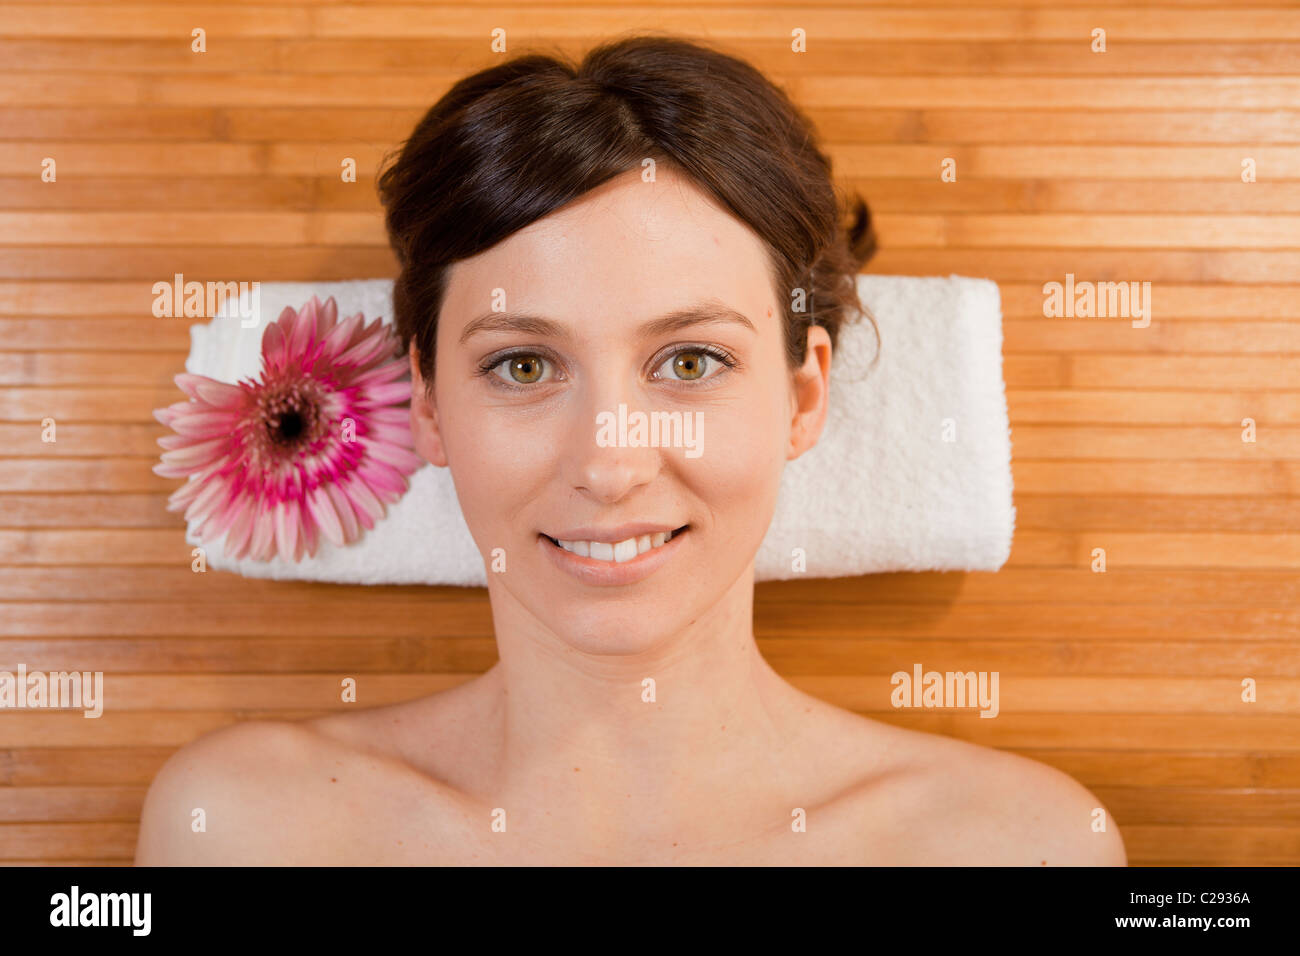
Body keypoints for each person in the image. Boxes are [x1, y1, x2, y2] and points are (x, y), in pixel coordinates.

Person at [135, 34, 1126, 866]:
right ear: (428, 403)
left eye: (689, 360)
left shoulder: (1016, 844)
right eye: (523, 365)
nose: (610, 464)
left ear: (802, 393)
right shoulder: (249, 827)